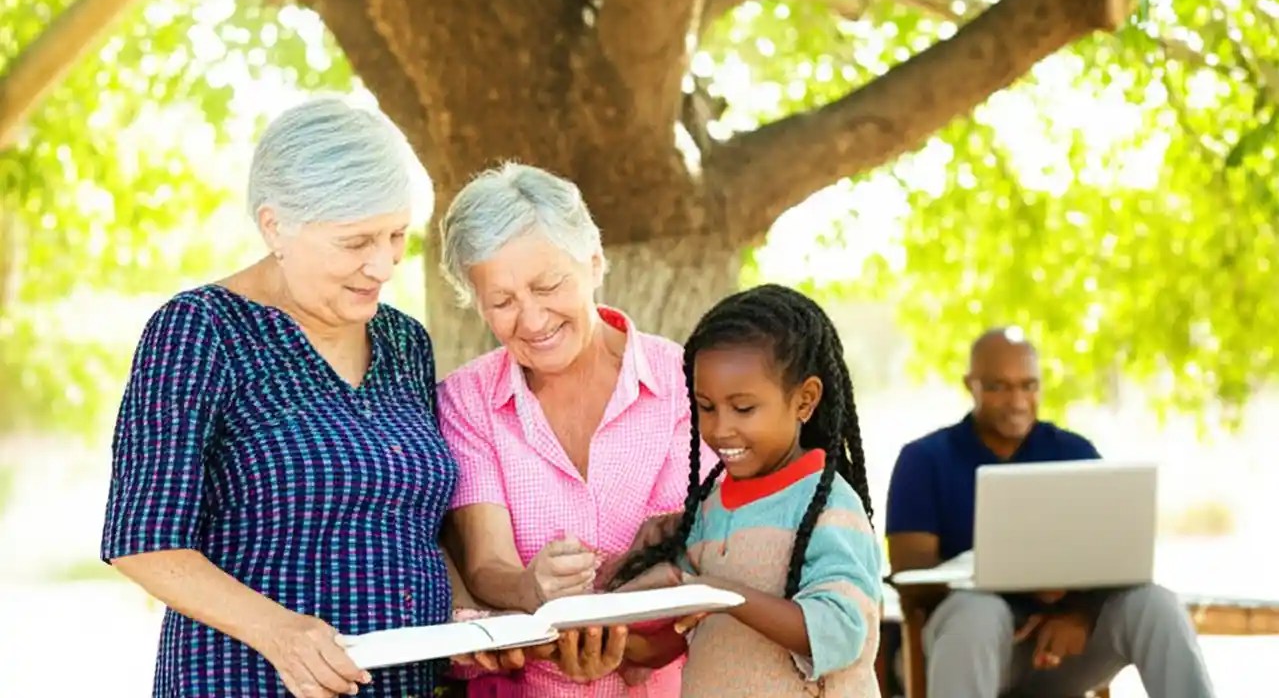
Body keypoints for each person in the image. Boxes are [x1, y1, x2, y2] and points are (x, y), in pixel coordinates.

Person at [100, 96, 457, 698]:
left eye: (396, 235)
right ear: (275, 227)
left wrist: (465, 614)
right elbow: (145, 543)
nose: (383, 265)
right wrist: (279, 633)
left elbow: (416, 525)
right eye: (355, 242)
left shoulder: (405, 342)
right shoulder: (200, 331)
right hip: (246, 682)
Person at [435, 162, 712, 697]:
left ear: (594, 261)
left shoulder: (682, 381)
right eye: (502, 302)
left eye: (548, 286)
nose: (533, 320)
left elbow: (691, 553)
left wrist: (621, 640)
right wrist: (529, 587)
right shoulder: (468, 399)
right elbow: (487, 561)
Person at [885, 327, 1216, 698]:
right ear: (970, 385)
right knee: (977, 613)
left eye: (1028, 386)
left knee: (1156, 604)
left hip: (1065, 651)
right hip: (966, 651)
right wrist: (1013, 580)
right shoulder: (924, 460)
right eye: (998, 387)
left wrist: (1081, 614)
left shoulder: (1075, 454)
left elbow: (1111, 559)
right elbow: (911, 575)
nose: (1017, 401)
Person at [608, 284, 884, 697]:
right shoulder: (709, 512)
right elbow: (683, 634)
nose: (720, 429)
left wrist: (723, 593)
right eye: (706, 407)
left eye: (743, 408)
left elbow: (841, 632)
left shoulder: (830, 508)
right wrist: (609, 640)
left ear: (805, 400)